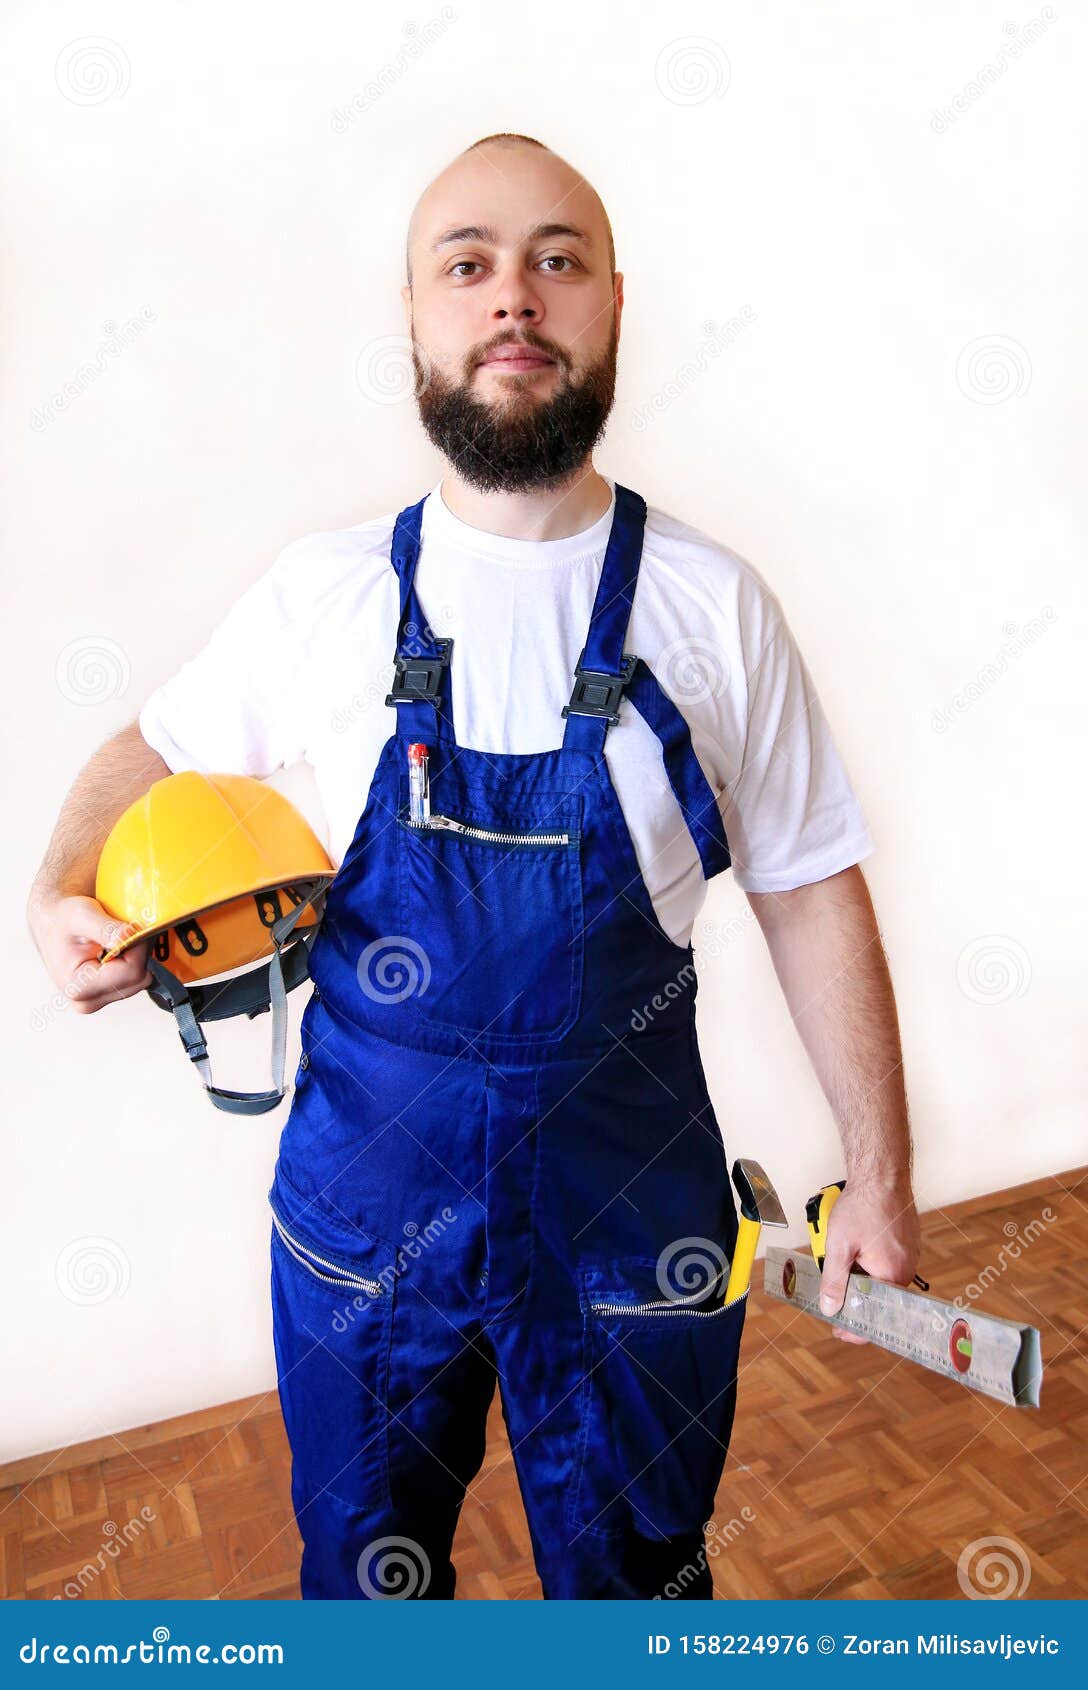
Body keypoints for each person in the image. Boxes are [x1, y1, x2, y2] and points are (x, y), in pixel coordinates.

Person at [28, 132, 921, 1601]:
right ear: (417, 319)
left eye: (557, 259)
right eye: (470, 264)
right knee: (370, 1585)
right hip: (366, 1217)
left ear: (615, 302)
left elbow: (814, 885)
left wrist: (880, 1183)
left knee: (638, 1581)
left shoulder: (714, 608)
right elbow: (149, 745)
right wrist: (59, 883)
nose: (515, 295)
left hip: (634, 1220)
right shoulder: (322, 596)